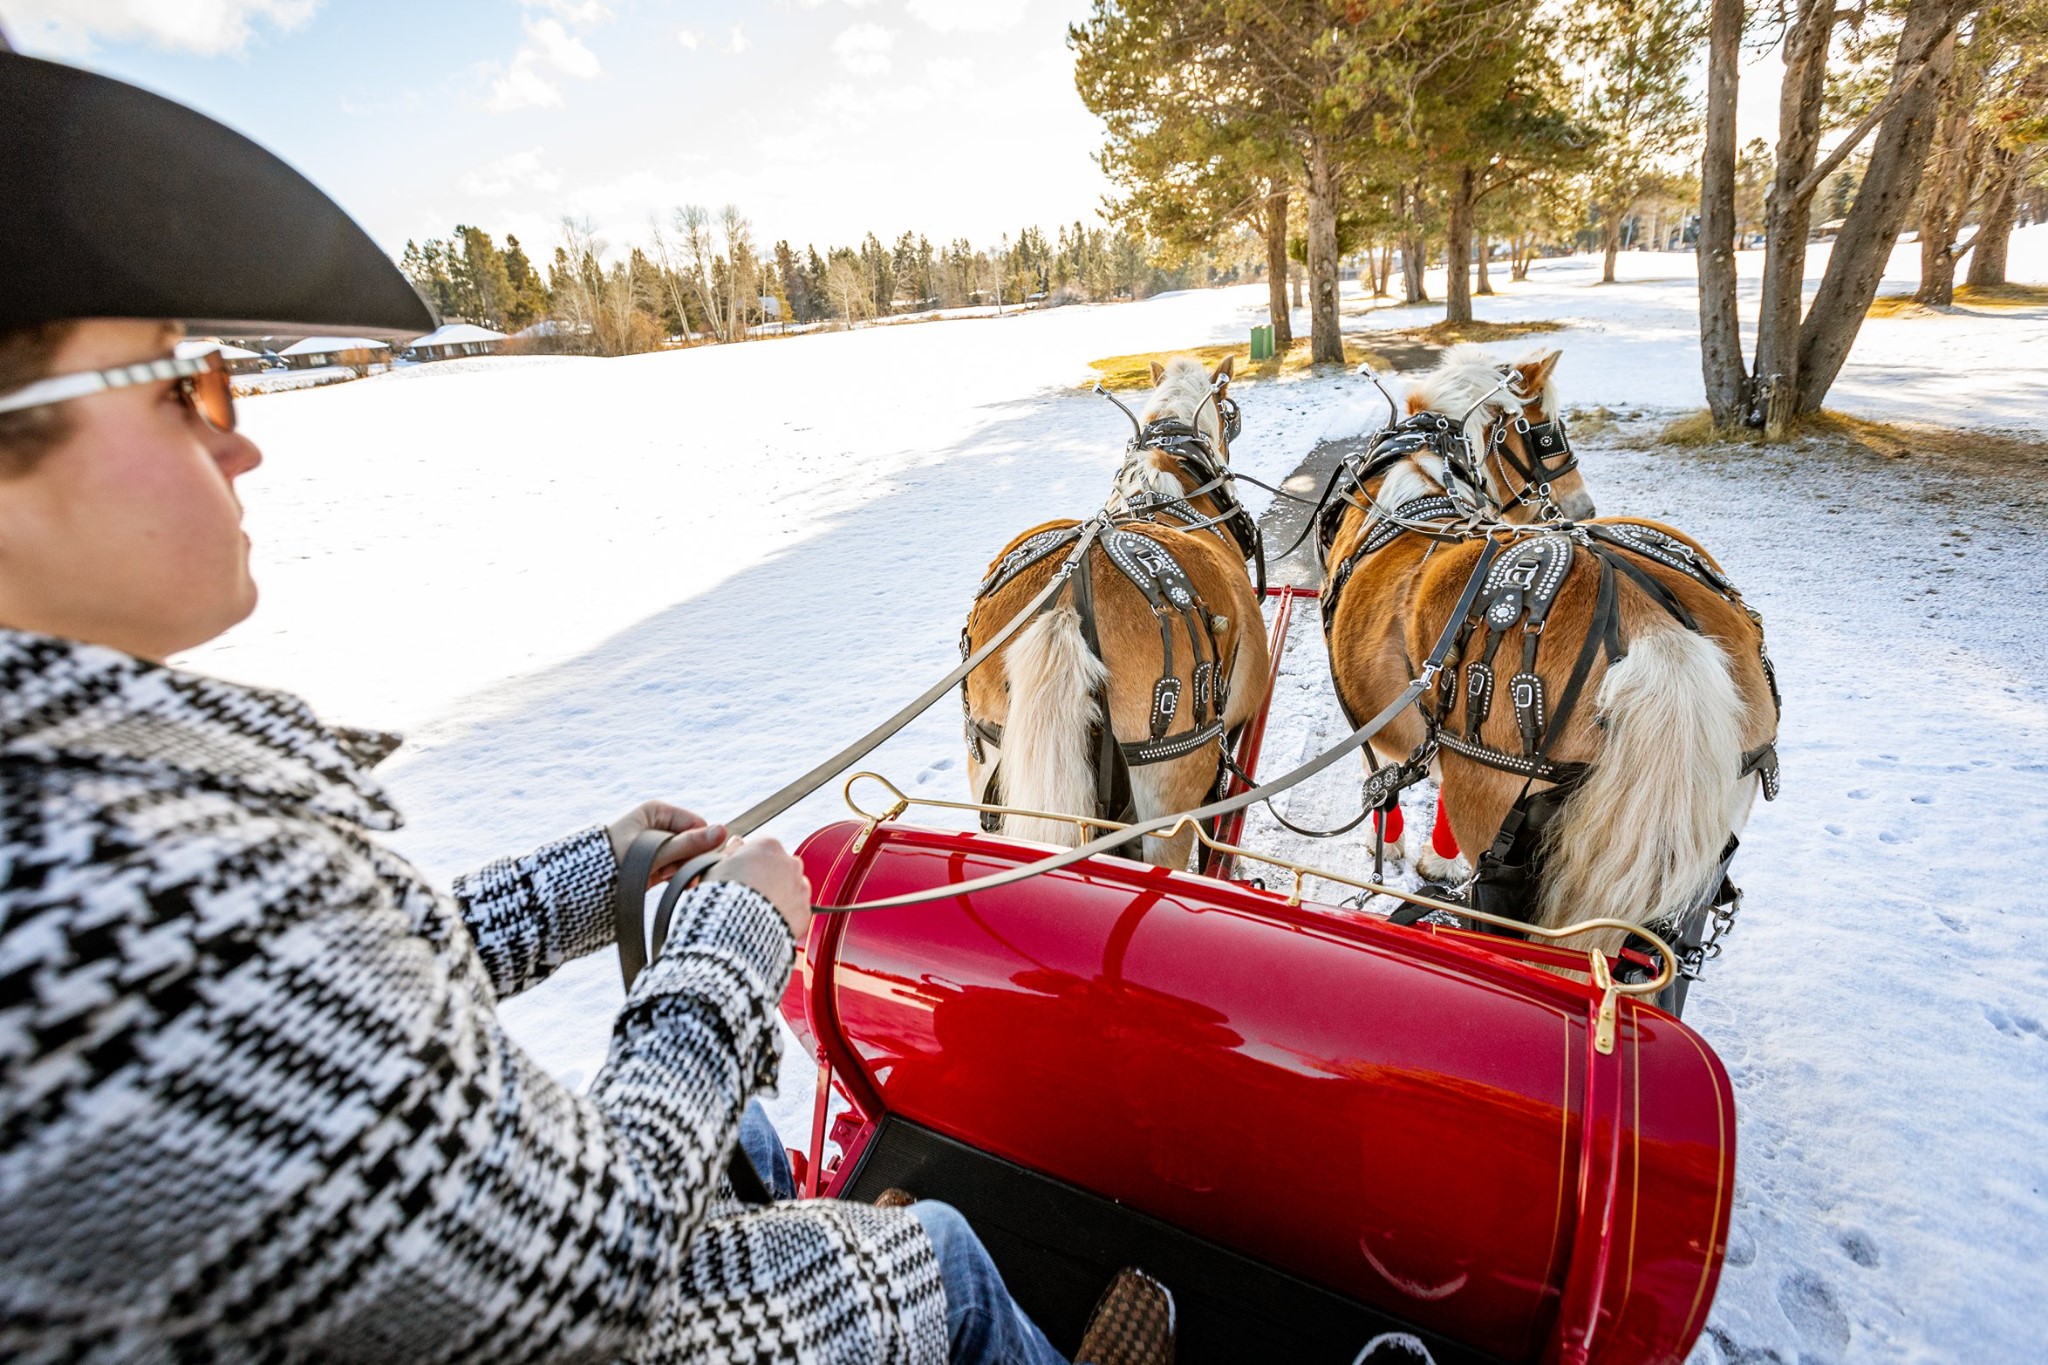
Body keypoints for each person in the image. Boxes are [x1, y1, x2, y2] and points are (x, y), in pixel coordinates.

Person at [0, 49, 1169, 1365]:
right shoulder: (114, 889)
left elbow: (325, 996)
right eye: (174, 382)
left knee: (741, 1139)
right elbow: (597, 1256)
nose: (238, 434)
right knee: (935, 1249)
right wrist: (737, 934)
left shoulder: (83, 830)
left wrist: (575, 885)